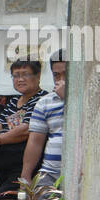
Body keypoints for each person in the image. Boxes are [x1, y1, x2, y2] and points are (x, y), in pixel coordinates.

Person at [0, 59, 49, 200]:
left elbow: (26, 130)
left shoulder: (42, 100)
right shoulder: (14, 101)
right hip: (5, 168)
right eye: (15, 75)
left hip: (24, 168)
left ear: (38, 76)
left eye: (25, 74)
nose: (20, 79)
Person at [21, 55, 67, 184]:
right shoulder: (45, 102)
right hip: (50, 174)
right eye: (56, 75)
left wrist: (67, 99)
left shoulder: (87, 99)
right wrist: (25, 176)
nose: (61, 80)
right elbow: (35, 141)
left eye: (66, 74)